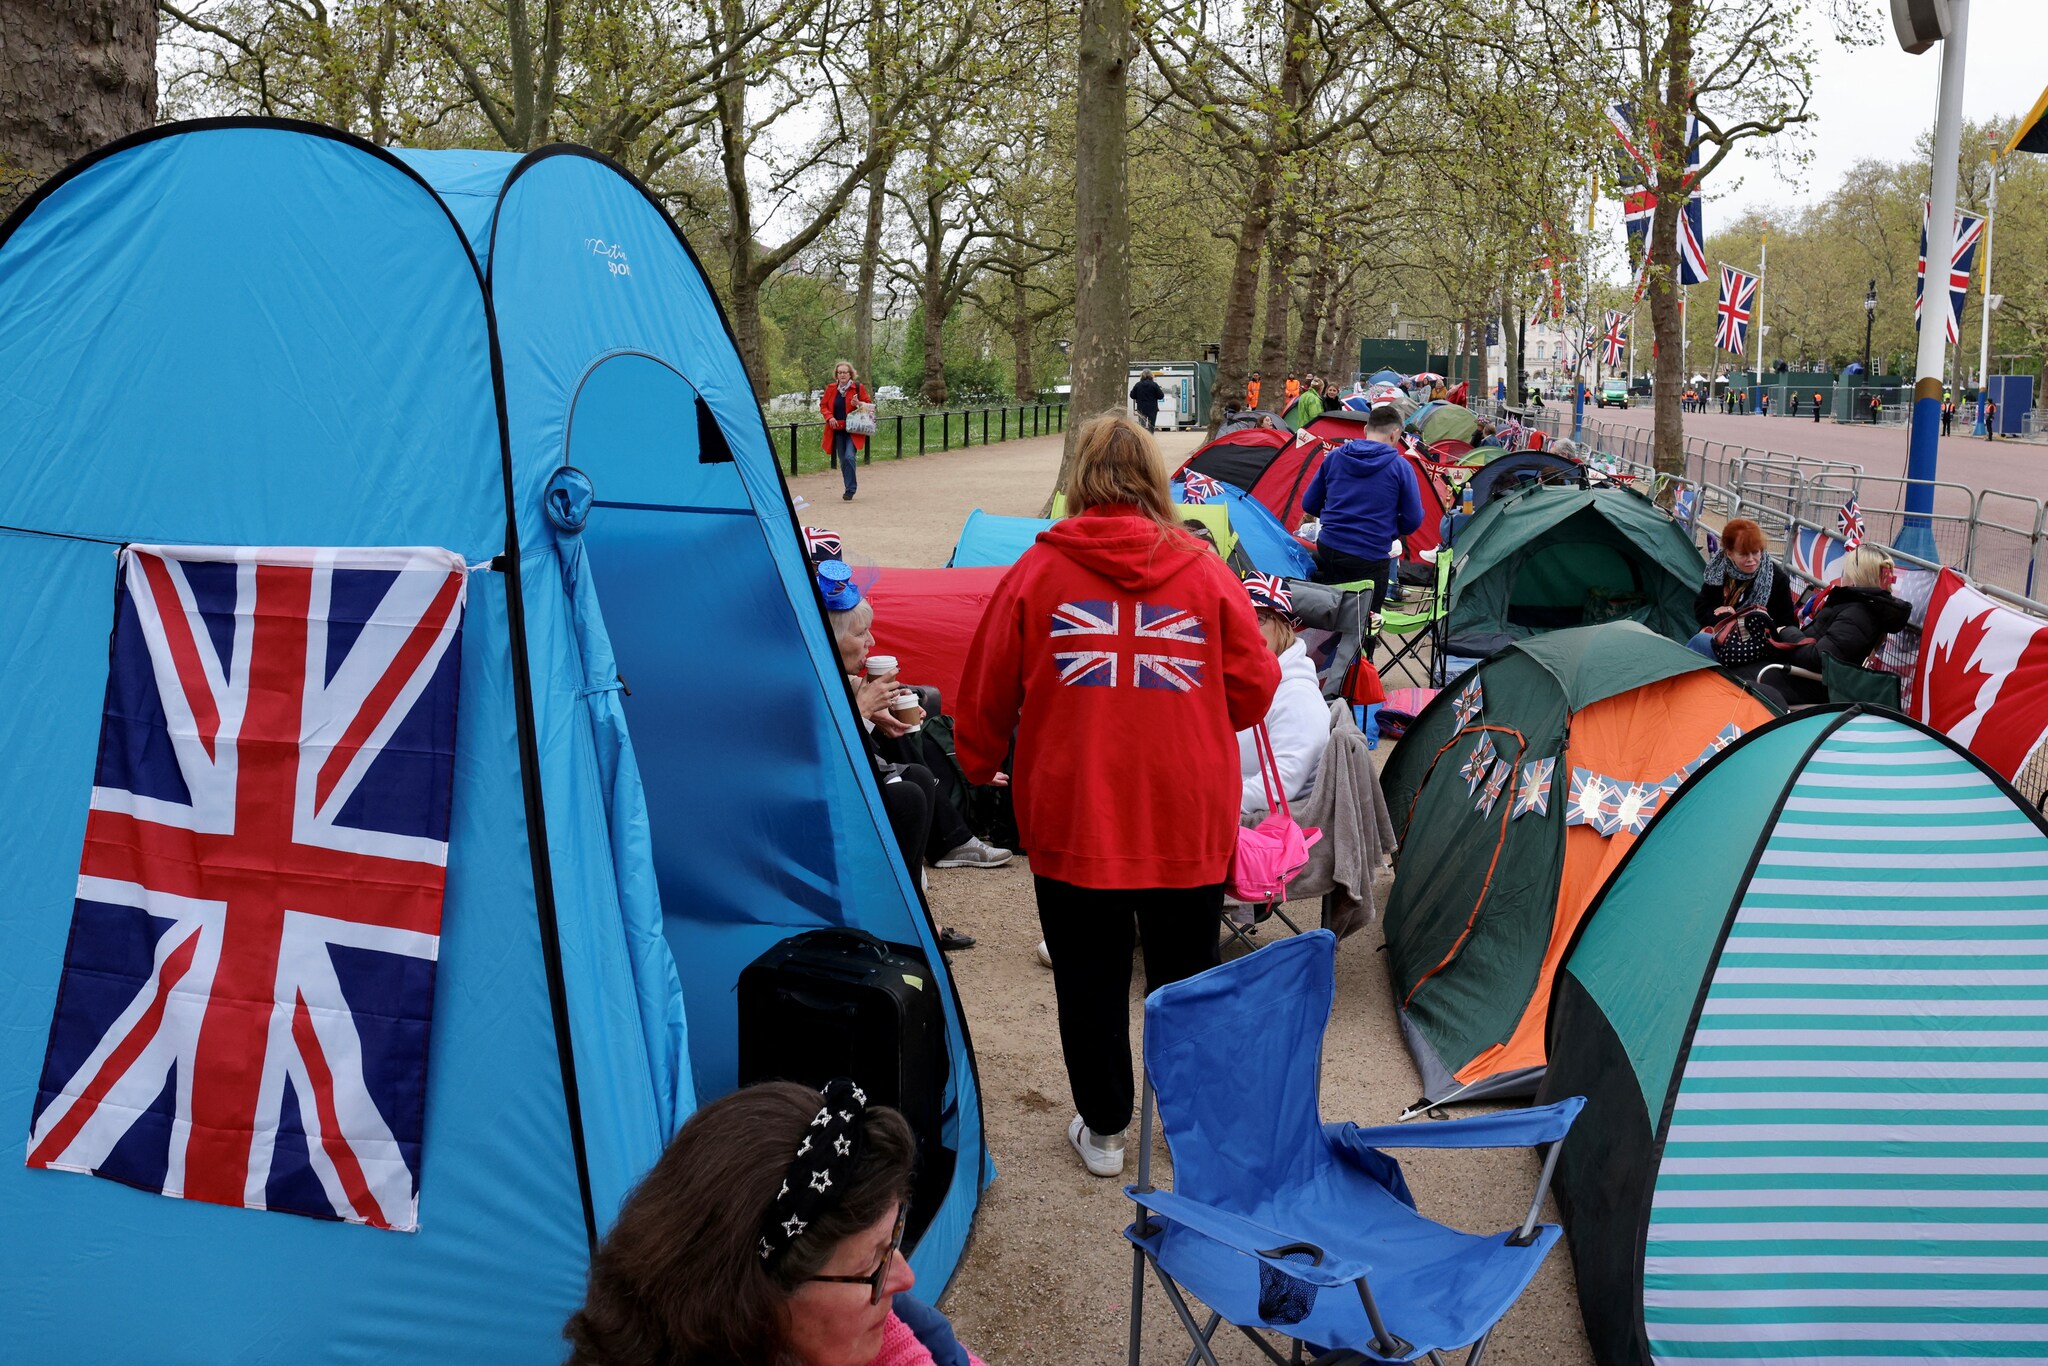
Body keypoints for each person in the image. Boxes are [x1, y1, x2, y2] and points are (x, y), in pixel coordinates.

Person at [955, 413, 1279, 1178]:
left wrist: (975, 765)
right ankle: (1185, 1124)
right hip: (1185, 807)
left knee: (1089, 975)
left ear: (1080, 478)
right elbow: (1256, 688)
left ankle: (1103, 1130)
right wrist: (1191, 712)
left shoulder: (1037, 571)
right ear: (1156, 481)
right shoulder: (1204, 571)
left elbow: (985, 689)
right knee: (1187, 975)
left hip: (1076, 809)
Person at [564, 1079, 985, 1366]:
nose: (905, 1278)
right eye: (870, 1267)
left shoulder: (888, 1330)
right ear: (755, 1301)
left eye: (893, 1238)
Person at [823, 564, 1011, 886]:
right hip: (826, 782)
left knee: (907, 742)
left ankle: (946, 844)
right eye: (859, 633)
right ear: (830, 637)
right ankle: (933, 855)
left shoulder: (834, 672)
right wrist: (865, 711)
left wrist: (878, 707)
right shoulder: (802, 680)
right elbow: (826, 756)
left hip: (856, 767)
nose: (871, 641)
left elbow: (848, 691)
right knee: (907, 791)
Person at [1299, 405, 1424, 610]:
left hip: (1330, 549)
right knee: (1365, 623)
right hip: (1371, 556)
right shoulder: (1401, 467)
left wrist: (1338, 517)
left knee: (1328, 616)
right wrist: (1389, 529)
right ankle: (1364, 640)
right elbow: (1413, 520)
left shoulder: (1334, 457)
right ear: (1395, 434)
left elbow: (1309, 504)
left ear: (1365, 430)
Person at [1763, 547, 1911, 706]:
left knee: (1744, 677)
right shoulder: (1856, 607)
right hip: (1802, 675)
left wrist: (1785, 630)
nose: (1842, 575)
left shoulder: (1858, 614)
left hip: (1810, 685)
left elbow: (1819, 660)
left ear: (1856, 576)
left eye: (1845, 571)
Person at [1237, 577, 1329, 817]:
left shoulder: (1297, 695)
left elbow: (1281, 781)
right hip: (1227, 790)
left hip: (1258, 821)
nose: (1246, 628)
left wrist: (1212, 801)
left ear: (1283, 626)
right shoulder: (1244, 679)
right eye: (1240, 617)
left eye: (1258, 619)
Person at [1686, 517, 1797, 659]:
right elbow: (1701, 607)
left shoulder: (1777, 579)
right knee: (1701, 642)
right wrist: (1723, 618)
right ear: (1729, 553)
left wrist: (1738, 620)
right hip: (1718, 636)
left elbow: (1787, 624)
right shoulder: (1718, 570)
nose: (1751, 559)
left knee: (1700, 643)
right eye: (1744, 554)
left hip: (1756, 648)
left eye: (1756, 552)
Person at [822, 363, 872, 502]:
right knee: (843, 460)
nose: (842, 375)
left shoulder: (857, 387)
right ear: (836, 375)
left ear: (850, 374)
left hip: (853, 430)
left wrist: (858, 403)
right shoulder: (831, 389)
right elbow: (824, 405)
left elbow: (869, 405)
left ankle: (851, 489)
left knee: (850, 457)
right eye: (839, 372)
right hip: (837, 430)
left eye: (845, 372)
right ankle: (848, 488)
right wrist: (829, 417)